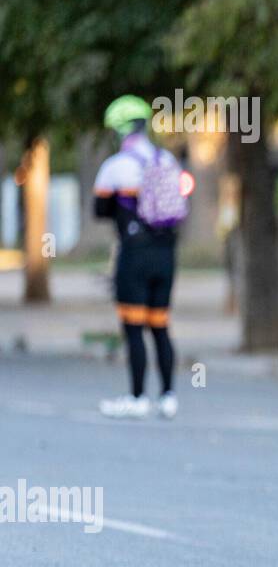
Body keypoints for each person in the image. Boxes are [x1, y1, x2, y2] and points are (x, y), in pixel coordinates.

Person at [93, 95, 186, 419]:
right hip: (167, 253)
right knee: (160, 325)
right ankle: (168, 396)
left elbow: (100, 209)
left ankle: (136, 397)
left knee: (133, 327)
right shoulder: (167, 160)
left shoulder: (116, 166)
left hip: (134, 254)